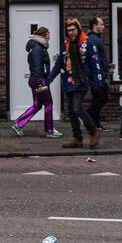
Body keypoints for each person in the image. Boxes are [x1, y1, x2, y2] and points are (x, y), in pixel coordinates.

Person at [48, 18, 102, 149]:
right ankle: (77, 138)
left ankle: (94, 131)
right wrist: (50, 78)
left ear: (78, 29)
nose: (71, 33)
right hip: (68, 81)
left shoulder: (87, 43)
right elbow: (60, 62)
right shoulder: (66, 44)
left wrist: (97, 81)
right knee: (71, 111)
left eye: (73, 30)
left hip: (81, 81)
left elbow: (95, 63)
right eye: (69, 30)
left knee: (77, 108)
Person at [11, 26, 62, 138]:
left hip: (35, 79)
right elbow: (37, 67)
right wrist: (40, 83)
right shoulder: (38, 49)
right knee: (48, 104)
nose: (50, 36)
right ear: (44, 35)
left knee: (37, 105)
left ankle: (18, 124)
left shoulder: (37, 47)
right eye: (48, 34)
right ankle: (49, 131)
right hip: (39, 80)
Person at [86, 16, 110, 129]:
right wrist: (99, 77)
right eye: (101, 24)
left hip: (100, 75)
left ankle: (95, 123)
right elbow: (95, 59)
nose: (103, 27)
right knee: (103, 97)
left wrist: (107, 66)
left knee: (98, 98)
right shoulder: (93, 40)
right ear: (95, 26)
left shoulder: (96, 38)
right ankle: (88, 115)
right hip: (98, 77)